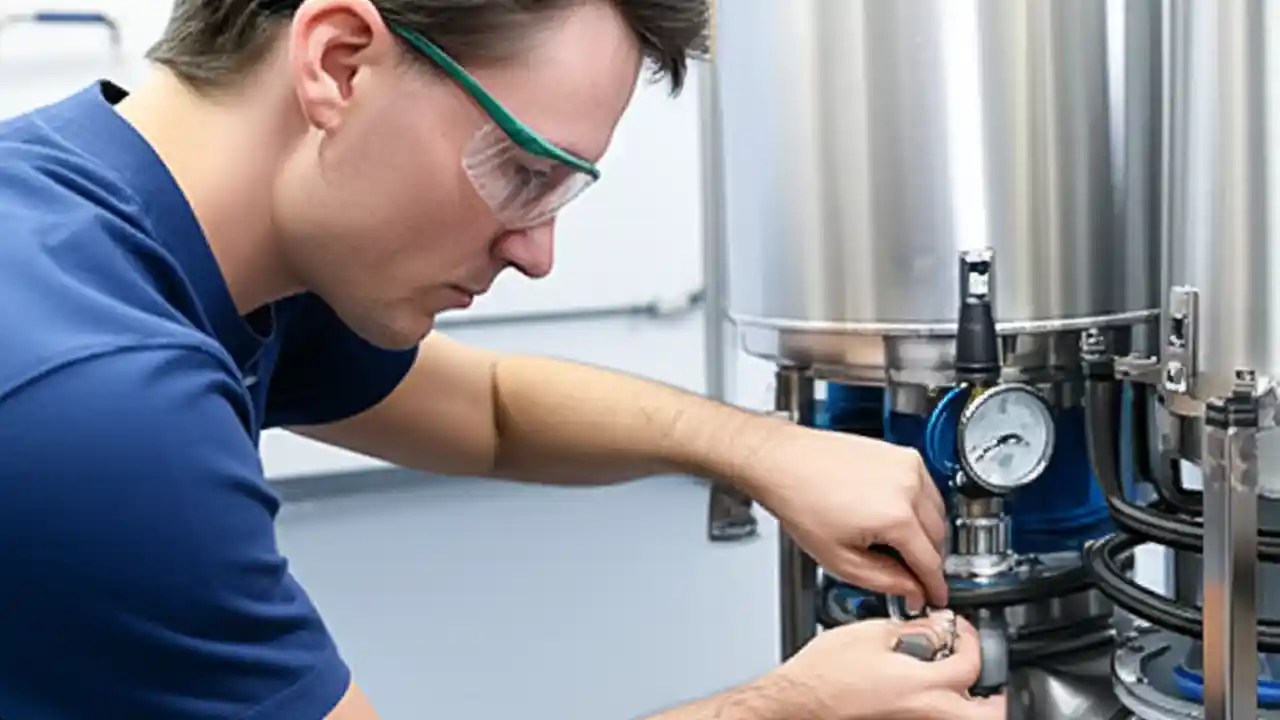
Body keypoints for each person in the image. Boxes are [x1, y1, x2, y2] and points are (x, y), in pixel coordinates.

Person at [0, 1, 1005, 718]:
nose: (537, 252)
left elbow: (487, 411)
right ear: (340, 60)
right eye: (523, 173)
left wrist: (760, 449)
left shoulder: (126, 218)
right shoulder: (96, 401)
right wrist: (793, 709)